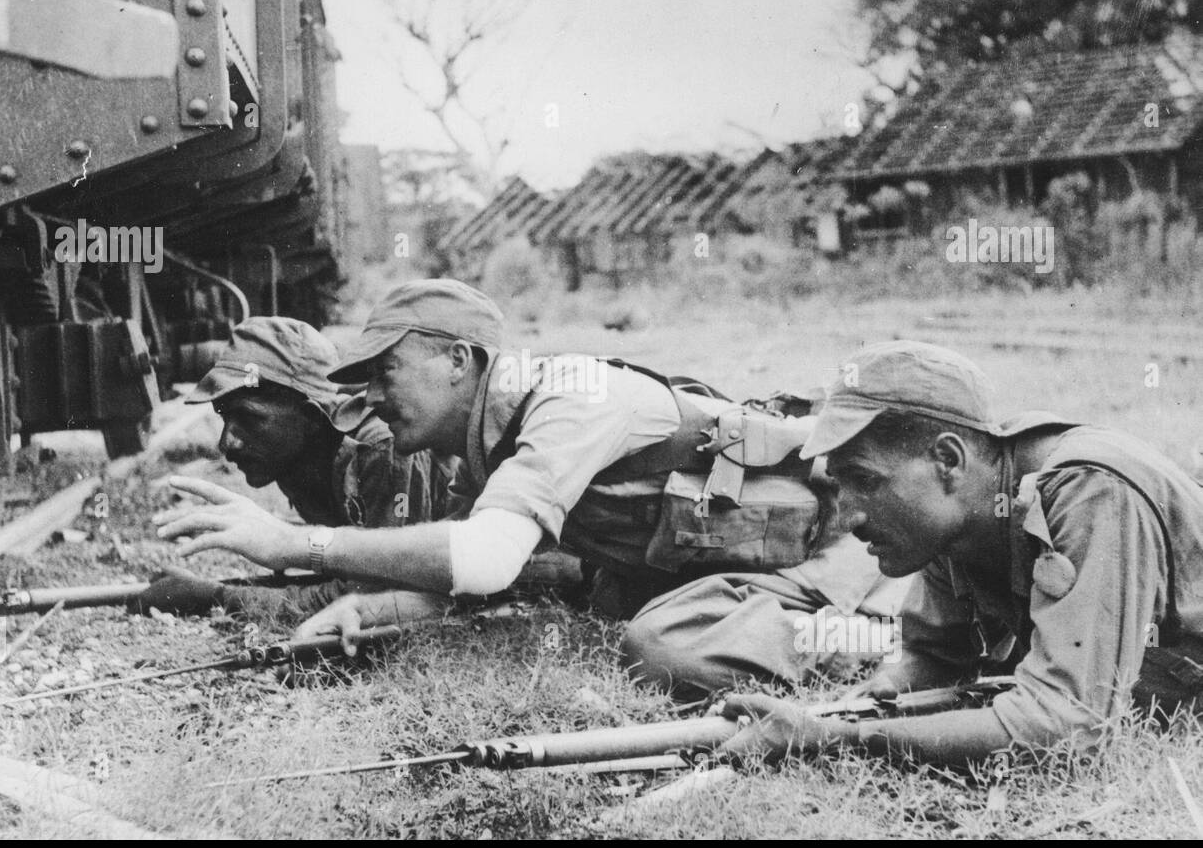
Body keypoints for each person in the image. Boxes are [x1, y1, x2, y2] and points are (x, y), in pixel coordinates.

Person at [154, 279, 903, 684]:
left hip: (842, 557)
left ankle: (884, 635)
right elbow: (464, 583)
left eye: (385, 372)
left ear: (461, 360)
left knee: (655, 647)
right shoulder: (479, 451)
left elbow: (487, 558)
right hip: (718, 575)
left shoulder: (569, 396)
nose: (373, 399)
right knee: (644, 633)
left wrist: (297, 543)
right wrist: (366, 605)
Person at [716, 340, 1203, 767]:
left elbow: (1067, 727)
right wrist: (874, 697)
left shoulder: (1091, 492)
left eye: (866, 481)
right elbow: (939, 656)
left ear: (948, 460)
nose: (848, 518)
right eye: (842, 486)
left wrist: (839, 738)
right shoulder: (960, 511)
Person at [141, 316, 454, 621]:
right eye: (225, 419)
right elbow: (345, 575)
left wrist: (214, 597)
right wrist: (214, 589)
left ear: (311, 417)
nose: (227, 443)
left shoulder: (379, 451)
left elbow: (376, 598)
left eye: (249, 419)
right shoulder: (298, 456)